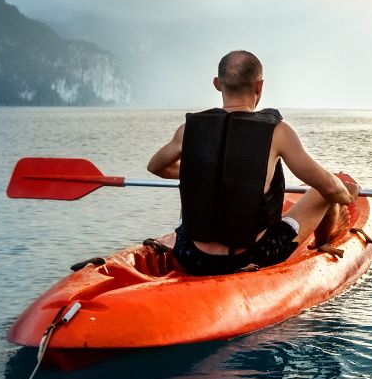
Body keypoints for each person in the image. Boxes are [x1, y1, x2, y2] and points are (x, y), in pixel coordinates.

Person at [147, 50, 358, 276]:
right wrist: (347, 195)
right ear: (259, 86)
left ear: (217, 84)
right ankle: (323, 241)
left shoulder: (189, 129)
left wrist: (207, 174)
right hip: (253, 256)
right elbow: (327, 186)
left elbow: (156, 167)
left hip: (190, 255)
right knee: (323, 191)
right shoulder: (277, 132)